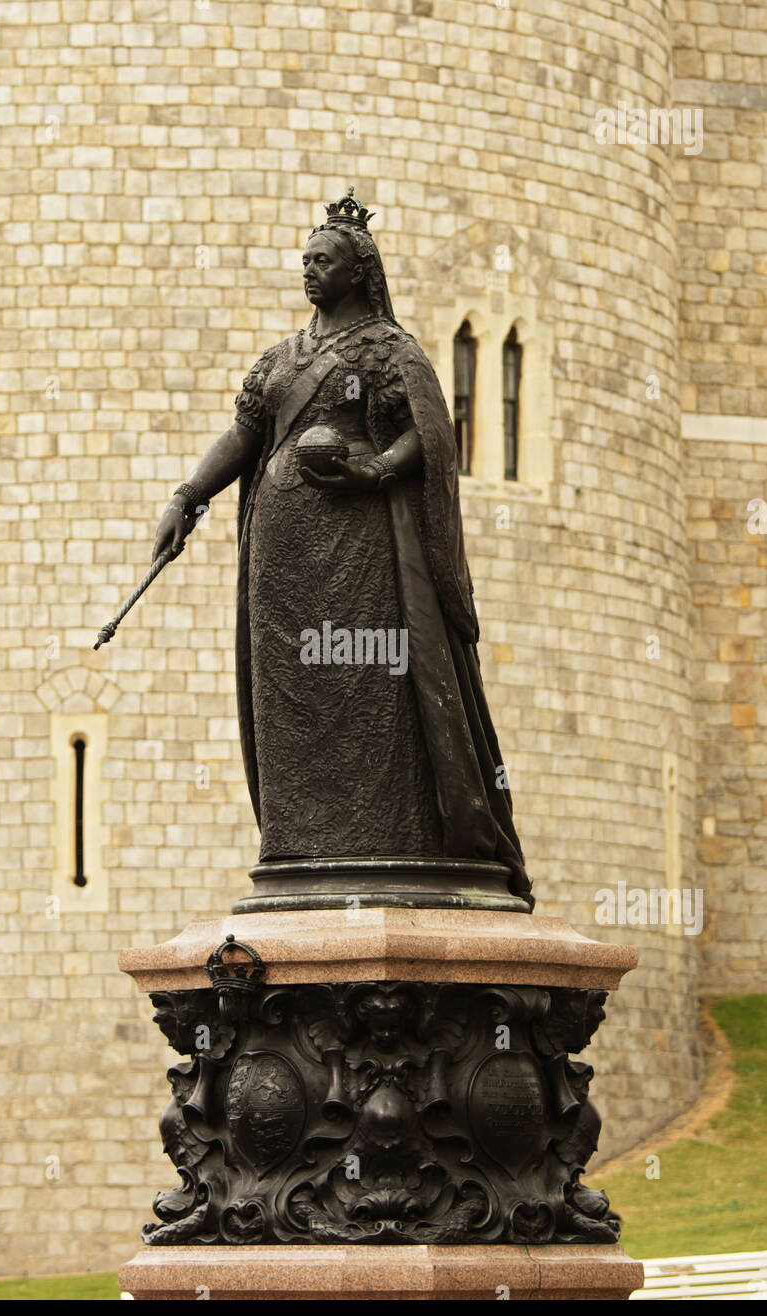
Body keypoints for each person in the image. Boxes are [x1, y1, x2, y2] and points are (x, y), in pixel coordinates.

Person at [152, 189, 532, 907]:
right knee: (289, 690)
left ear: (357, 271)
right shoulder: (278, 359)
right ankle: (299, 838)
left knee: (368, 685)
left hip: (360, 551)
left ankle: (389, 835)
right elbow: (243, 437)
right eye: (305, 259)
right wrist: (186, 498)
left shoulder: (388, 350)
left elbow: (433, 433)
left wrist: (375, 468)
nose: (309, 271)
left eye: (322, 260)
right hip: (281, 548)